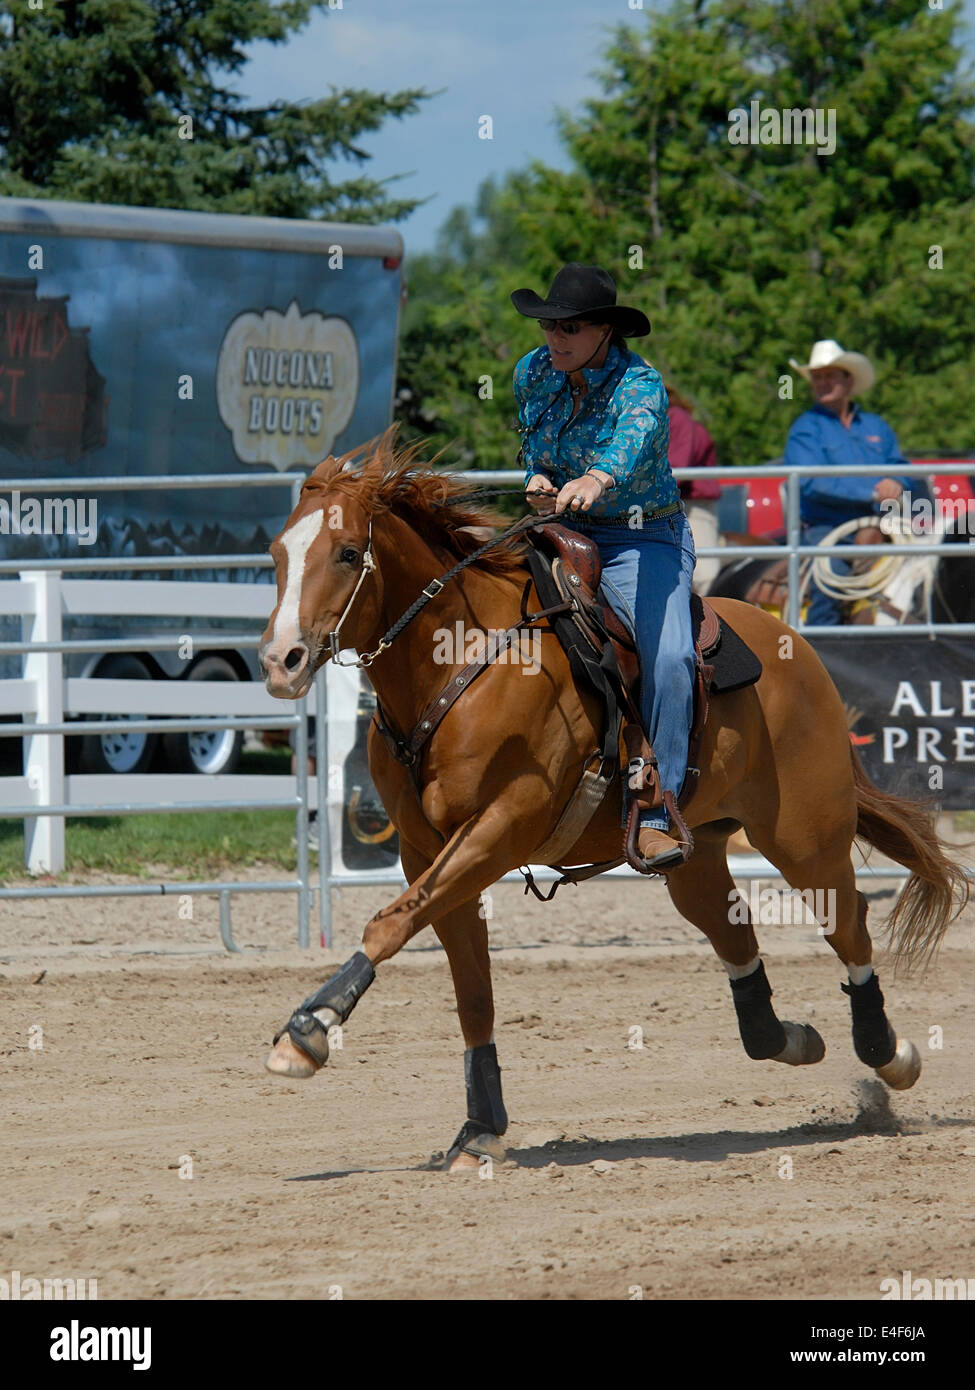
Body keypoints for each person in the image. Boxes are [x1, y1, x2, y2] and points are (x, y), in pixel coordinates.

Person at [510, 262, 696, 870]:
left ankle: (658, 806)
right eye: (550, 326)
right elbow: (534, 447)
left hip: (645, 539)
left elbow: (632, 443)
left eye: (571, 327)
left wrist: (595, 478)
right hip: (563, 527)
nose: (555, 338)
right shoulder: (532, 373)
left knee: (669, 655)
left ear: (605, 332)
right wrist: (537, 479)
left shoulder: (641, 384)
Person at [785, 339, 918, 626]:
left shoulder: (875, 425)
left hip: (883, 524)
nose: (822, 383)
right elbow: (810, 482)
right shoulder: (806, 428)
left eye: (830, 376)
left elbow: (900, 466)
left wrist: (895, 481)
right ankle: (825, 649)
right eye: (817, 377)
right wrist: (873, 491)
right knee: (829, 578)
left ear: (849, 380)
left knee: (926, 569)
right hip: (828, 527)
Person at [666, 383, 722, 594]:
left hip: (689, 506)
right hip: (659, 503)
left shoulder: (676, 417)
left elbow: (677, 468)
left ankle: (708, 624)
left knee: (704, 574)